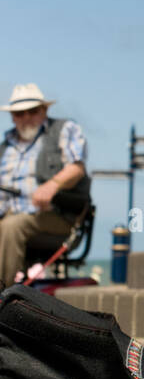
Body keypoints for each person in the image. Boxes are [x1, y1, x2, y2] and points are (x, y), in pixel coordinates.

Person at [0, 85, 91, 288]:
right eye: (19, 113)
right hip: (9, 216)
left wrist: (53, 185)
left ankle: (3, 294)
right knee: (9, 223)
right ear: (13, 116)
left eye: (33, 111)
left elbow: (77, 168)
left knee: (13, 226)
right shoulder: (5, 147)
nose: (26, 117)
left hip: (56, 217)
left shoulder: (64, 130)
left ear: (44, 110)